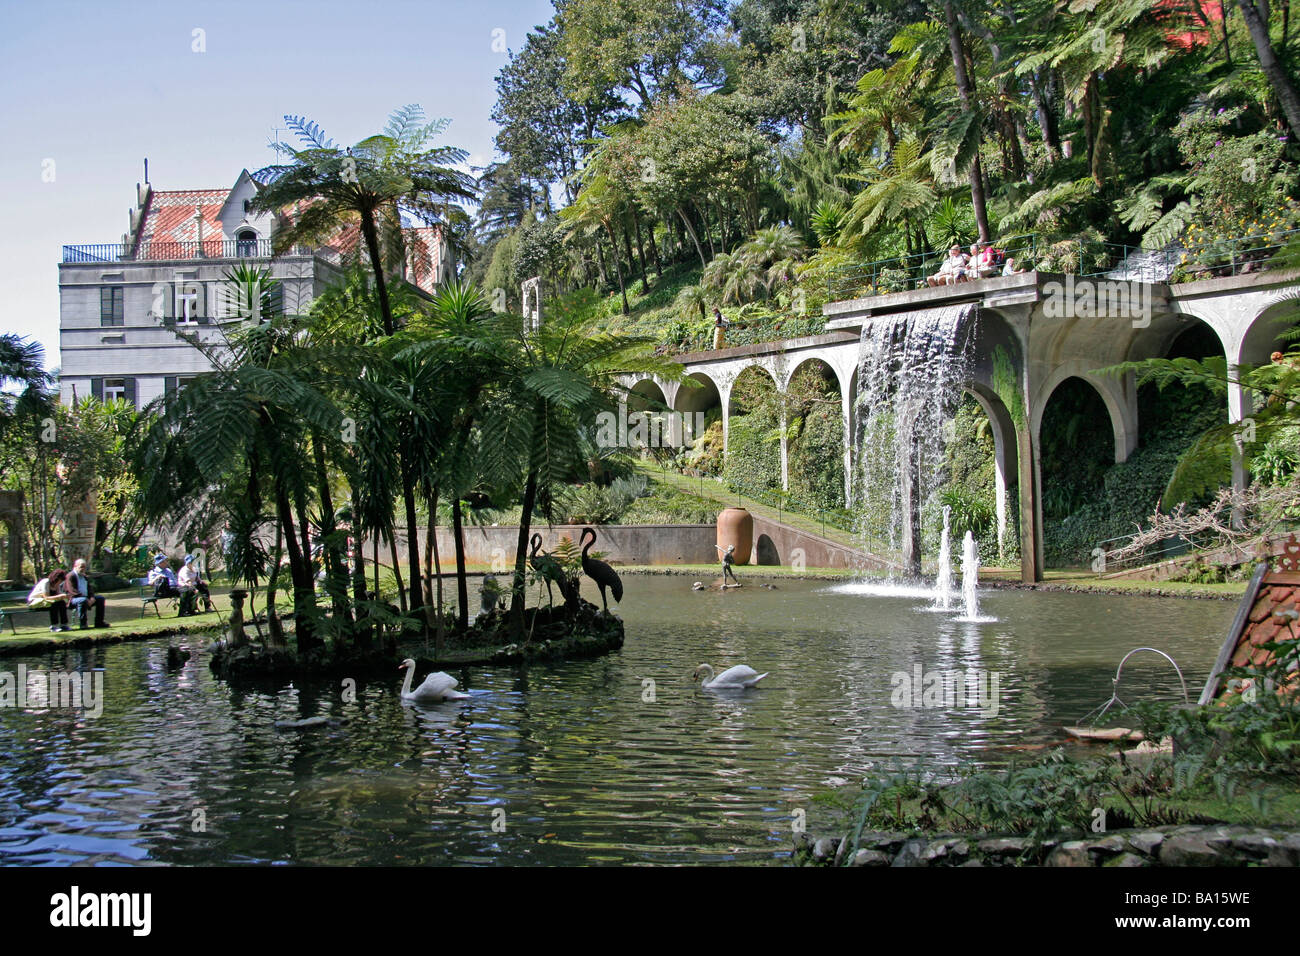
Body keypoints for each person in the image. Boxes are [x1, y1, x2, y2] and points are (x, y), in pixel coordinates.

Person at [67, 558, 108, 629]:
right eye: (81, 567)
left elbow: (90, 589)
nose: (83, 569)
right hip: (73, 599)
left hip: (86, 598)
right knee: (82, 600)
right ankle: (83, 624)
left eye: (84, 567)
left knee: (100, 599)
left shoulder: (85, 577)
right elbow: (72, 591)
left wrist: (91, 597)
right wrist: (86, 599)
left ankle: (99, 622)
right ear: (75, 566)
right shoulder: (71, 576)